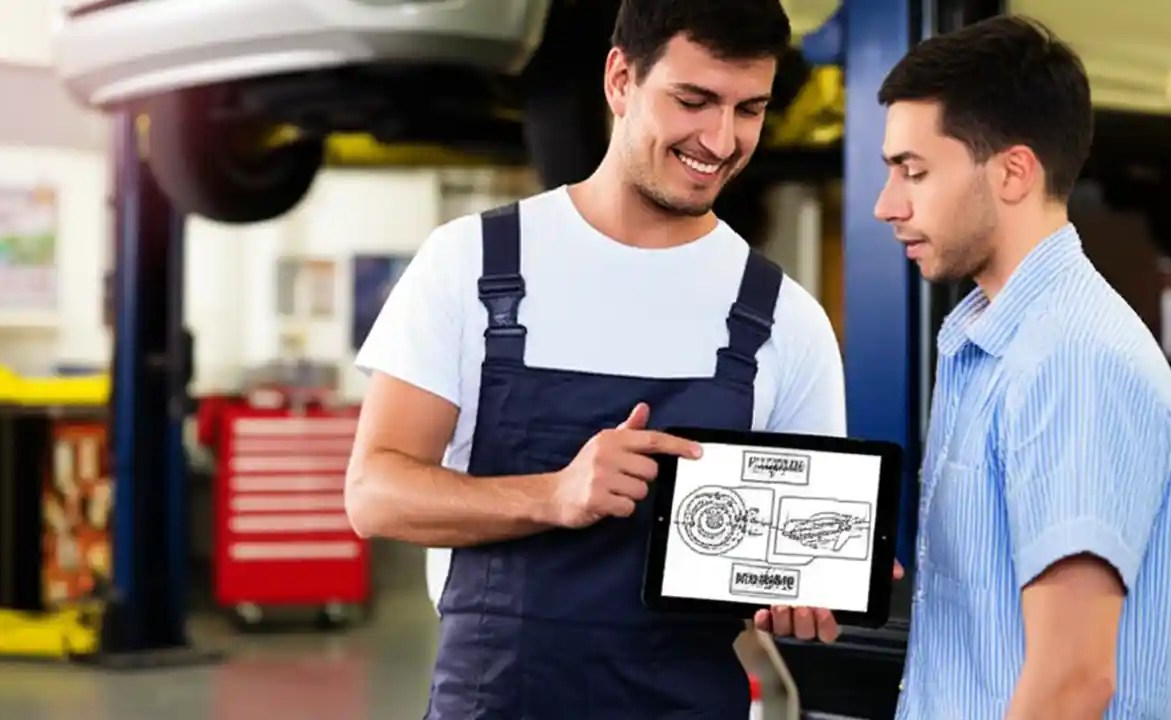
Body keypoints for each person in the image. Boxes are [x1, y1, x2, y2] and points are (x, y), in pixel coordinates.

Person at [345, 1, 864, 716]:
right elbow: (374, 493)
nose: (720, 139)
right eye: (694, 100)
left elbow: (790, 558)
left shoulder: (785, 319)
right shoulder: (472, 264)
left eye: (750, 109)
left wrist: (806, 588)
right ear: (620, 80)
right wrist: (553, 495)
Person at [872, 15, 1171, 719]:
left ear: (1013, 171)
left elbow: (1072, 682)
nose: (886, 205)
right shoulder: (992, 345)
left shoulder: (1072, 365)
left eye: (914, 171)